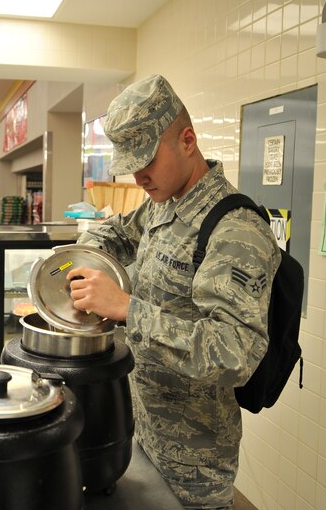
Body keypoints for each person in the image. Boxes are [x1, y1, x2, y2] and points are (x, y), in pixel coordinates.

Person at [66, 74, 280, 509]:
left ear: (187, 140)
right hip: (142, 431)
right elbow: (115, 233)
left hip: (194, 465)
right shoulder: (165, 205)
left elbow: (235, 353)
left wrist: (127, 308)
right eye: (131, 163)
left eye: (147, 159)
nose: (140, 176)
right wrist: (77, 264)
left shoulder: (236, 230)